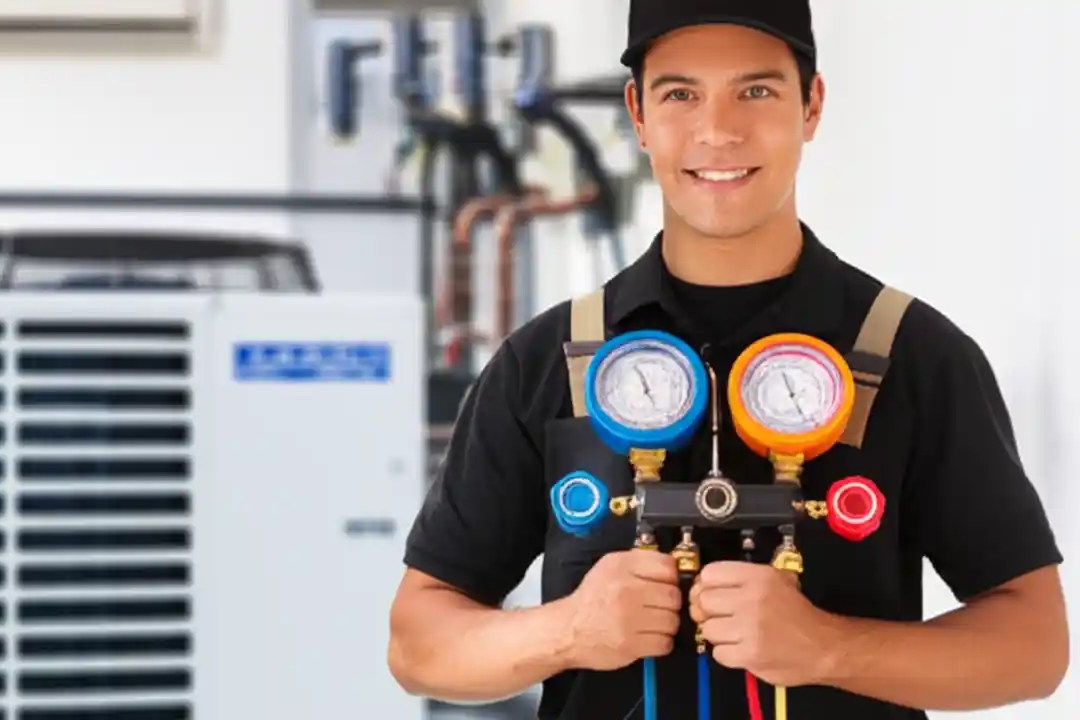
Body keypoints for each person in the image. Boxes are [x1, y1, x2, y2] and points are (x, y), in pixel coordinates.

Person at [386, 1, 1069, 718]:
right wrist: (570, 631)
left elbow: (1032, 644)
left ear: (812, 105)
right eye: (681, 94)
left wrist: (827, 647)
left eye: (757, 90)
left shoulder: (912, 354)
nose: (717, 131)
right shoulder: (547, 361)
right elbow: (419, 644)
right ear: (638, 114)